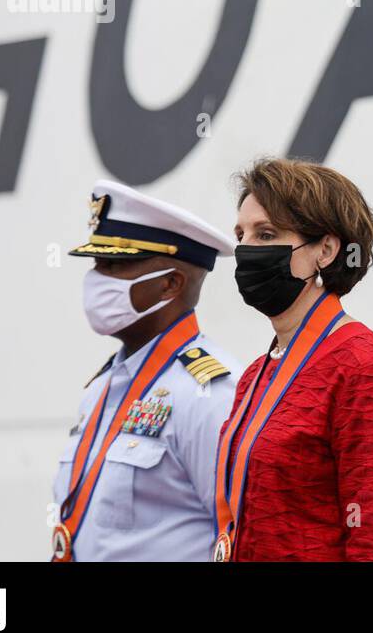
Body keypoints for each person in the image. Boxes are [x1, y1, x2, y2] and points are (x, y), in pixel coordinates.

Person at [214, 157, 373, 561]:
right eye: (242, 234)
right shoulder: (258, 372)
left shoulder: (366, 370)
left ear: (325, 249)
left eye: (266, 234)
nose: (246, 249)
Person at [52, 179, 242, 562]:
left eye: (115, 266)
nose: (96, 280)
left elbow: (239, 538)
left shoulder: (210, 394)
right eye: (96, 265)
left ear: (170, 284)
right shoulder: (104, 387)